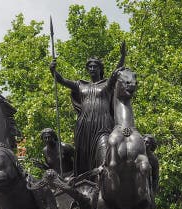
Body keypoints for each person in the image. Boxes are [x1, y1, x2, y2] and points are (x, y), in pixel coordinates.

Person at [50, 42, 126, 175]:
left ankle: (105, 186)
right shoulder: (80, 85)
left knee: (104, 155)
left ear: (100, 69)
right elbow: (62, 80)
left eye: (95, 66)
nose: (91, 68)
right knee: (83, 162)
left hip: (103, 126)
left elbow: (116, 72)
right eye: (89, 66)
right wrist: (53, 71)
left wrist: (122, 56)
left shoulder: (106, 85)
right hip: (84, 128)